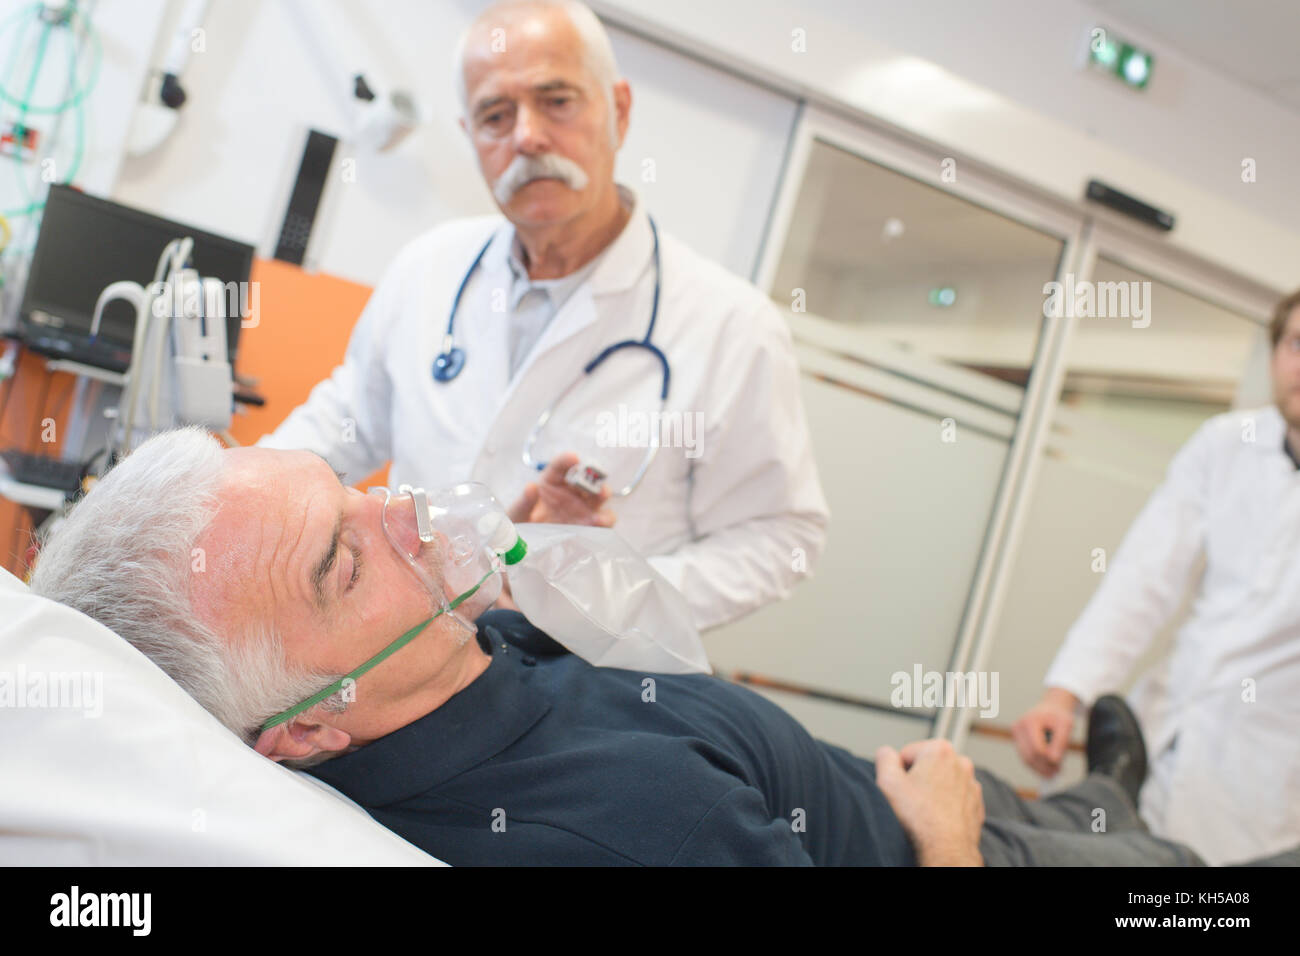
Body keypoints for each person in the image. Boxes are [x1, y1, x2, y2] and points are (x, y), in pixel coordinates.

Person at [33, 427, 1297, 867]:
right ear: (305, 725)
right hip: (946, 837)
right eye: (344, 554)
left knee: (1083, 800)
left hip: (877, 786)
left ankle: (1101, 785)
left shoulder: (439, 669)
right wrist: (952, 839)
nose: (403, 509)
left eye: (354, 485)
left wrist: (511, 561)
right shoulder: (623, 839)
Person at [259, 0, 828, 632]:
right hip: (404, 648)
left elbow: (780, 537)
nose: (526, 136)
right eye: (495, 115)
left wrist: (601, 594)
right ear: (470, 134)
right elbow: (348, 423)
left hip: (582, 679)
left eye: (557, 101)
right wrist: (232, 486)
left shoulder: (730, 325)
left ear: (619, 110)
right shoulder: (429, 267)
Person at [1012, 288, 1300, 866]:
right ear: (1274, 354)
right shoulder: (1226, 444)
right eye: (1298, 343)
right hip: (1163, 735)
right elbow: (1144, 575)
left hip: (1268, 784)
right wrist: (1065, 696)